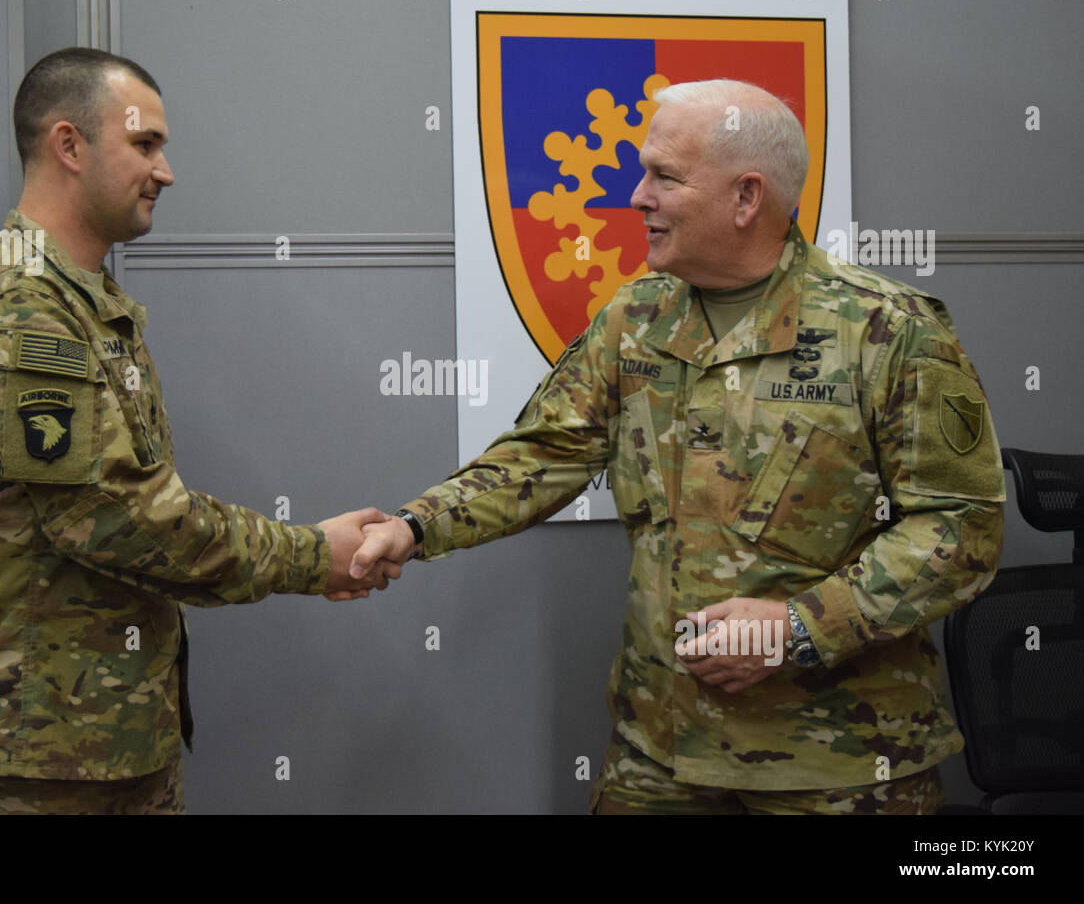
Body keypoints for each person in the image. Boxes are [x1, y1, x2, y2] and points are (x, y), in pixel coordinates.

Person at [349, 79, 1006, 814]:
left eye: (664, 175)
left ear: (745, 198)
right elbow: (543, 455)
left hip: (840, 763)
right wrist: (415, 525)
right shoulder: (637, 317)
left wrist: (798, 629)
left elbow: (962, 529)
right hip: (659, 750)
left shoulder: (889, 331)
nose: (636, 196)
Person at [0, 47, 397, 814]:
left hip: (102, 749)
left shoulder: (82, 306)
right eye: (146, 144)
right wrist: (306, 555)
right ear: (69, 145)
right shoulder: (21, 309)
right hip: (28, 766)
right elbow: (114, 517)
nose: (167, 172)